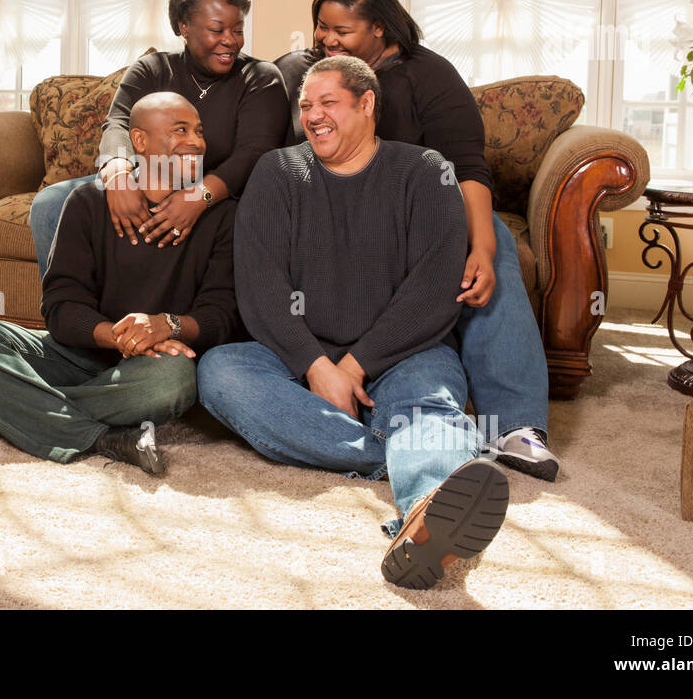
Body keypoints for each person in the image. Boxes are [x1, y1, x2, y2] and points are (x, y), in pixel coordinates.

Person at [196, 57, 510, 590]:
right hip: (299, 355)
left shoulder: (424, 169)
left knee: (426, 404)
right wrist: (317, 366)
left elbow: (435, 287)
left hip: (405, 351)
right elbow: (260, 288)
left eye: (328, 103)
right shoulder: (276, 171)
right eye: (305, 107)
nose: (313, 116)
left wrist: (356, 364)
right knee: (221, 372)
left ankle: (424, 521)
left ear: (367, 104)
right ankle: (391, 450)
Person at [274, 0, 558, 482]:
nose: (325, 39)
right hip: (333, 214)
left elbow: (469, 168)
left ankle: (515, 426)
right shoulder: (302, 73)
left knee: (491, 247)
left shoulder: (429, 75)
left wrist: (484, 251)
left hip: (426, 214)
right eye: (321, 27)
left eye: (342, 30)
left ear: (380, 28)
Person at [0, 92, 241, 474]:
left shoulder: (223, 216)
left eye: (198, 131)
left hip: (151, 365)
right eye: (181, 130)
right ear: (140, 142)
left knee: (175, 380)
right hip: (81, 355)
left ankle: (5, 409)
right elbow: (61, 307)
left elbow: (222, 314)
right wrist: (117, 336)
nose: (196, 141)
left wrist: (165, 325)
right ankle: (101, 437)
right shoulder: (87, 203)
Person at [29, 0, 288, 274]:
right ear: (184, 26)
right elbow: (118, 125)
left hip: (219, 190)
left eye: (238, 29)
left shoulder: (260, 78)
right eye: (217, 30)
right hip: (148, 179)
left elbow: (253, 153)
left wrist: (196, 197)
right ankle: (72, 313)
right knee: (48, 206)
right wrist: (118, 178)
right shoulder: (152, 69)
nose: (230, 41)